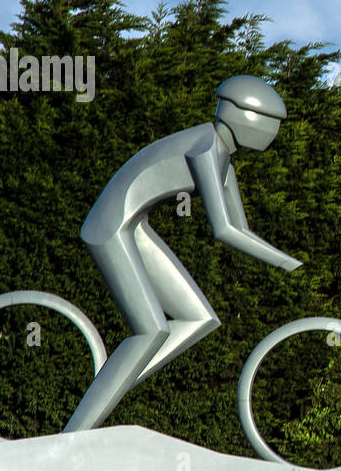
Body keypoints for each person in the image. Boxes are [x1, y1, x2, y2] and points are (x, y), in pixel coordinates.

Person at [64, 75, 301, 433]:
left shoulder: (222, 157)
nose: (271, 131)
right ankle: (75, 433)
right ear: (239, 114)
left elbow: (243, 229)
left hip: (134, 224)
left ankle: (110, 387)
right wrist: (283, 262)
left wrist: (282, 257)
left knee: (199, 319)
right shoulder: (205, 147)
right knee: (151, 332)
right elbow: (223, 229)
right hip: (110, 226)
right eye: (267, 121)